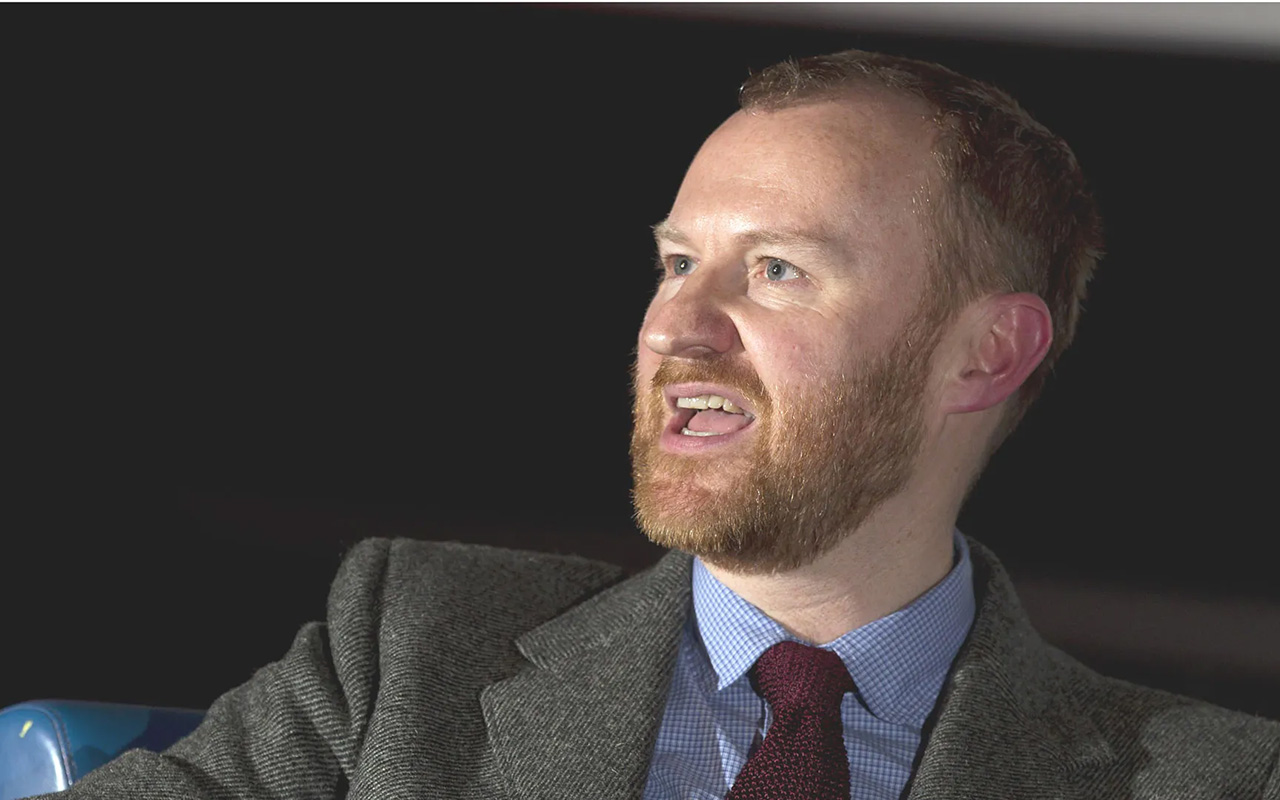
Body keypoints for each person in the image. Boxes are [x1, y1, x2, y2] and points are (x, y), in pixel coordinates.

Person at [46, 49, 1278, 800]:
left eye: (778, 269)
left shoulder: (1215, 777)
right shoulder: (413, 642)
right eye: (676, 261)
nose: (674, 324)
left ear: (984, 352)